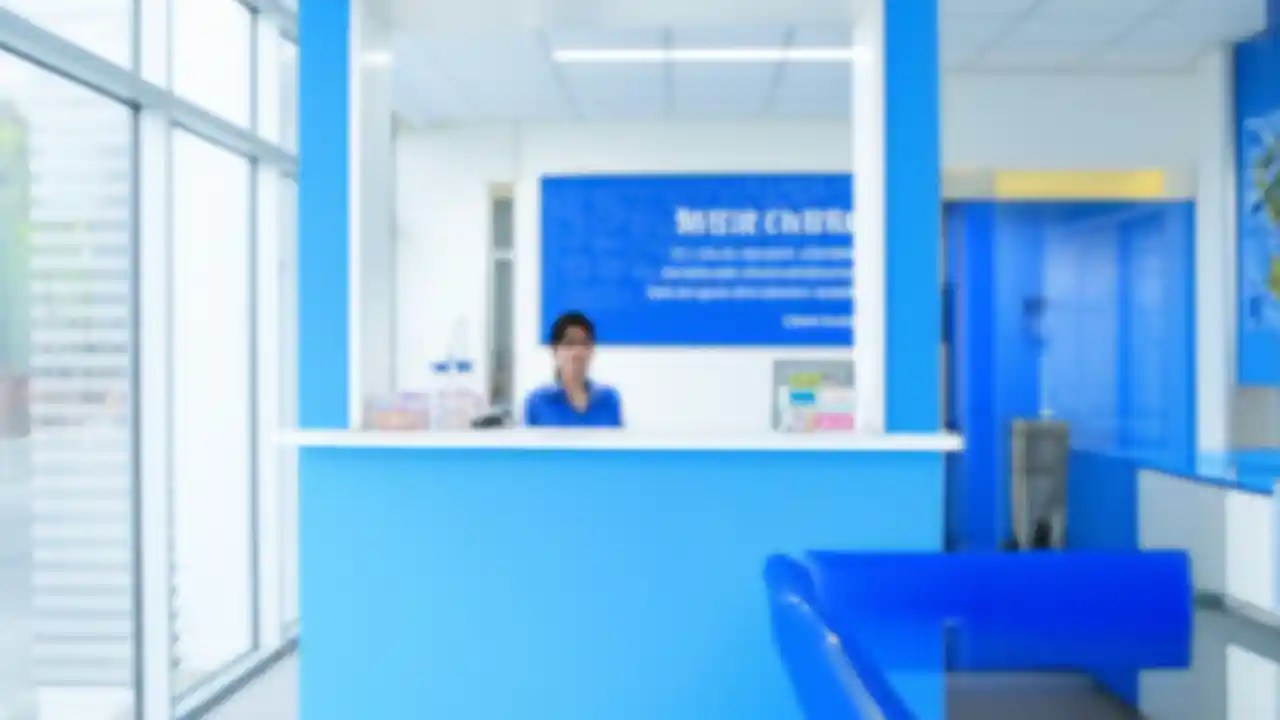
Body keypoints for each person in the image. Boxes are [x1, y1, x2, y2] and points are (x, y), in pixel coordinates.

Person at [524, 311, 623, 428]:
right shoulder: (539, 401)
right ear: (555, 350)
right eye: (569, 344)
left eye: (584, 344)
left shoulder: (608, 400)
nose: (577, 352)